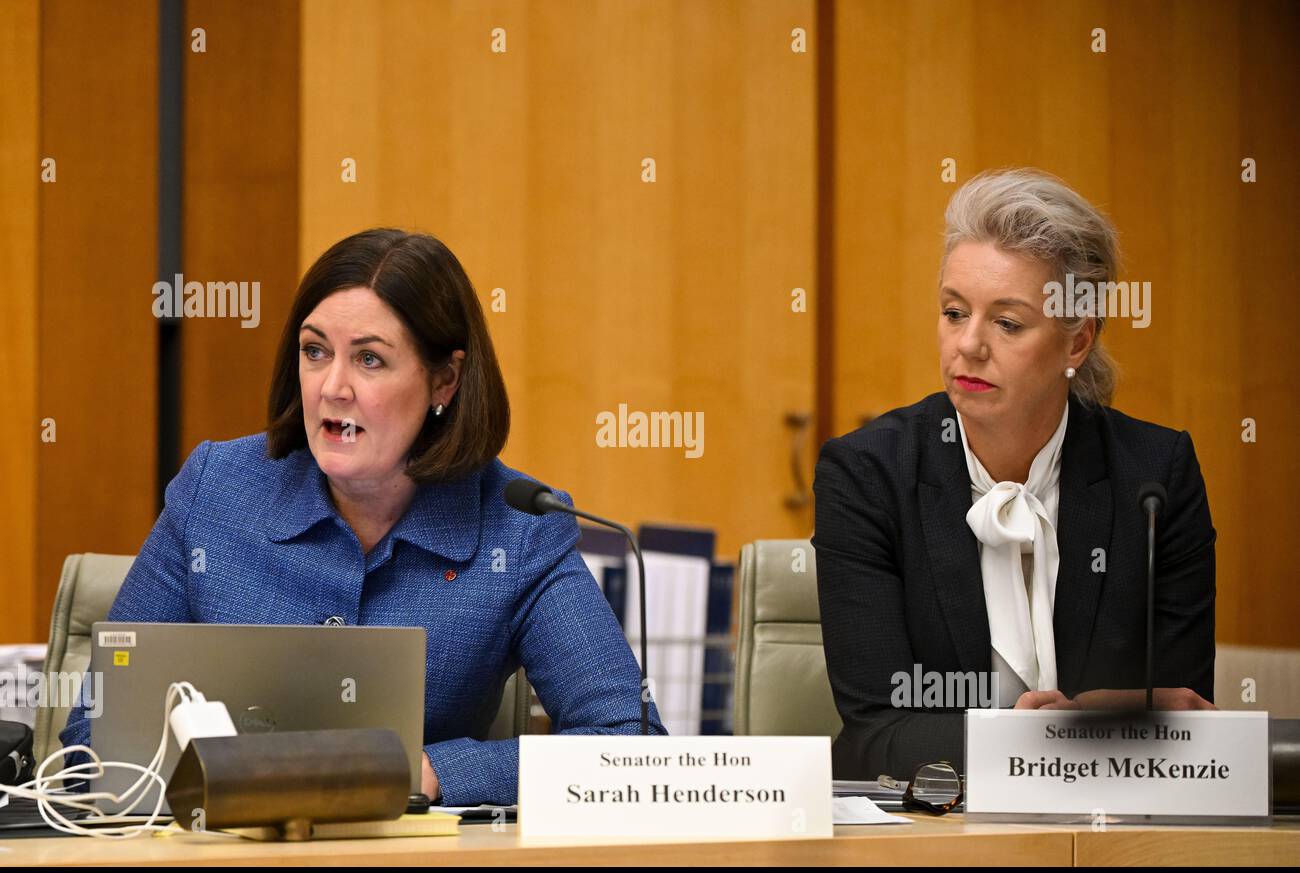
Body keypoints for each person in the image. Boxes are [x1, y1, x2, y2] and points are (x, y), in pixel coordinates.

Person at [61, 228, 665, 806]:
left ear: (445, 382)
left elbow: (627, 747)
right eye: (315, 351)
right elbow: (94, 736)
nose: (332, 387)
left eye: (370, 361)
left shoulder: (518, 525)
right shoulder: (216, 489)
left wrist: (434, 769)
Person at [814, 169, 1216, 782]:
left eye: (1007, 323)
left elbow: (1183, 717)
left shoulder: (1155, 480)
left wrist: (1069, 735)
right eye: (954, 312)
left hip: (1111, 825)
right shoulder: (869, 474)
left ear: (1076, 342)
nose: (968, 345)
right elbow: (876, 730)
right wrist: (1035, 737)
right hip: (940, 830)